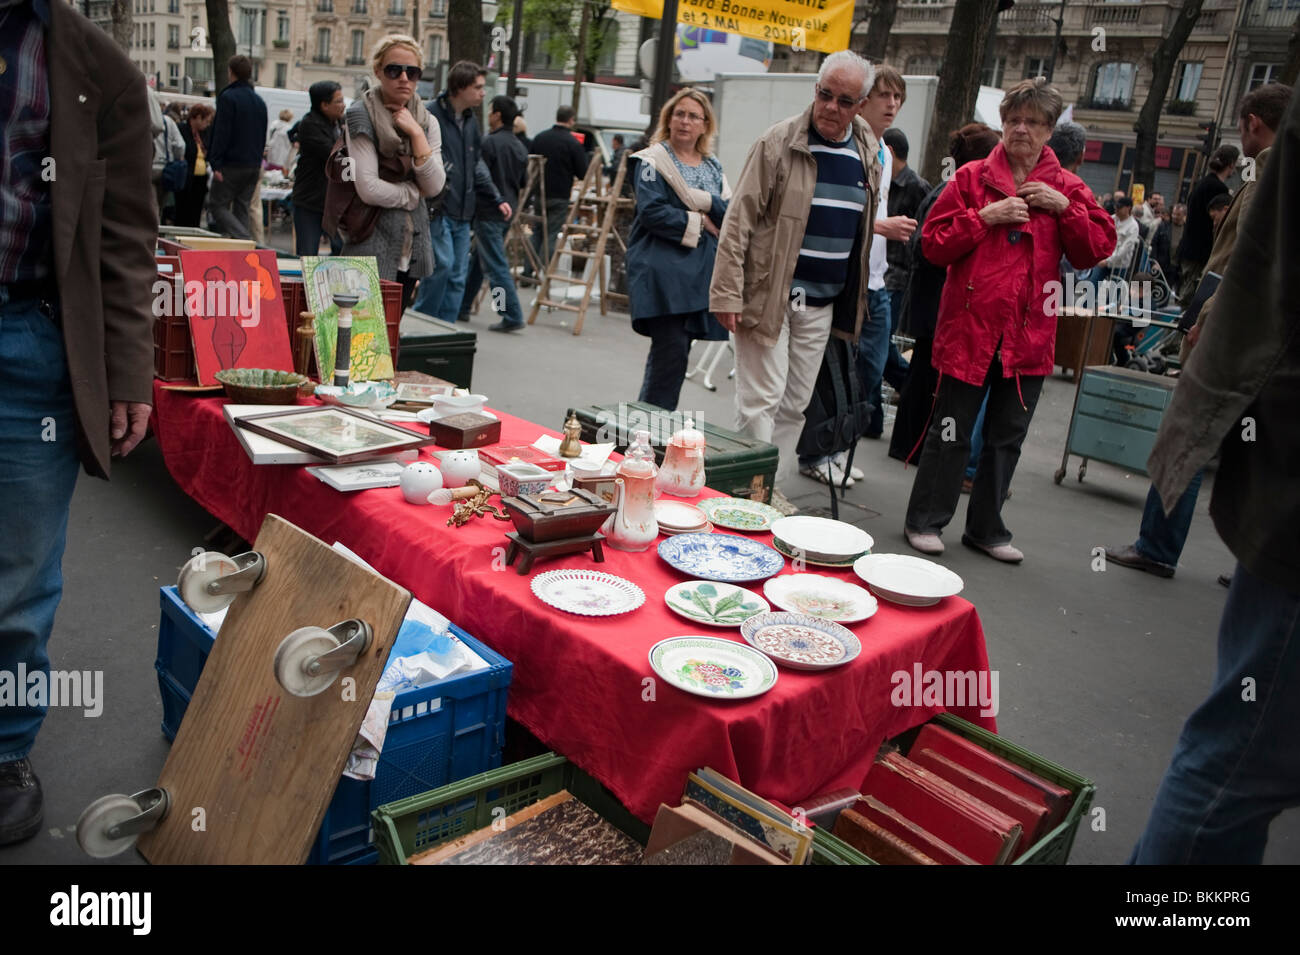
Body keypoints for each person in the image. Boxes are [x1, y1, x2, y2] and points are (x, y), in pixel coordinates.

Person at [1129, 84, 1300, 866]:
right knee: (1239, 763)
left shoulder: (1253, 176)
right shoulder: (1243, 179)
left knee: (1239, 760)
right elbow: (1244, 279)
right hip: (1279, 477)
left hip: (1265, 437)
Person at [1, 0, 157, 845]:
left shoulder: (101, 71)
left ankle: (2, 752)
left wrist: (128, 370)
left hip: (29, 339)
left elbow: (128, 233)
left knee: (17, 580)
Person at [902, 78, 1115, 562]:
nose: (1022, 129)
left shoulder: (1067, 187)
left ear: (1048, 129)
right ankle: (926, 520)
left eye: (1034, 122)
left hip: (1030, 336)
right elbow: (933, 245)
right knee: (952, 429)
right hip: (971, 329)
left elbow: (1096, 250)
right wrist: (986, 216)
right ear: (1003, 123)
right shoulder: (972, 178)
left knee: (1006, 438)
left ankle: (986, 529)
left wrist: (1067, 211)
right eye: (1014, 119)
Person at [1103, 83, 1291, 580]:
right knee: (1254, 448)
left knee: (1191, 438)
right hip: (1265, 343)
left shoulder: (1270, 173)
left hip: (1232, 335)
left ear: (1252, 123)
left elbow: (1246, 263)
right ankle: (1255, 559)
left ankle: (1158, 546)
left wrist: (1204, 322)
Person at [709, 51, 882, 513]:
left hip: (822, 302)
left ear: (860, 105)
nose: (831, 106)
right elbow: (737, 220)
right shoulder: (778, 142)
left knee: (795, 405)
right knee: (760, 399)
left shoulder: (865, 148)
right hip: (769, 293)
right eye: (825, 94)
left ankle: (769, 485)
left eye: (845, 101)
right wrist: (727, 291)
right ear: (815, 90)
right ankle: (749, 489)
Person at [798, 64, 916, 488]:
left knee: (867, 371)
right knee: (833, 373)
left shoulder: (880, 151)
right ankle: (817, 451)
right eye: (884, 96)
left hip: (879, 280)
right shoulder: (844, 147)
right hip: (848, 282)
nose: (891, 105)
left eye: (898, 98)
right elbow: (837, 215)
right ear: (863, 103)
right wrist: (882, 228)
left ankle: (836, 448)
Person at [888, 124, 1002, 465]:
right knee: (925, 377)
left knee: (923, 375)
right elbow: (926, 247)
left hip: (931, 297)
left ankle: (908, 445)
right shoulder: (951, 191)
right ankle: (912, 447)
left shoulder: (947, 187)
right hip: (935, 298)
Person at [624, 89, 730, 411]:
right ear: (668, 119)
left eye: (693, 116)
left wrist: (709, 202)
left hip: (699, 276)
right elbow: (651, 212)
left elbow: (728, 212)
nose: (685, 121)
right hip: (664, 275)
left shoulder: (713, 167)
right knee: (670, 354)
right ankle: (648, 433)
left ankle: (645, 431)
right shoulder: (650, 160)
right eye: (679, 114)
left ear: (705, 125)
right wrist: (699, 221)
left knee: (674, 356)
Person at [340, 34, 447, 307]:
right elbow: (368, 188)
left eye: (412, 72)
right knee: (359, 338)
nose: (404, 78)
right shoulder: (360, 114)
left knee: (391, 335)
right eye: (394, 70)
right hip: (369, 239)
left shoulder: (426, 121)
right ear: (378, 71)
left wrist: (415, 133)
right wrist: (413, 194)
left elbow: (434, 186)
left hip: (412, 247)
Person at [410, 62, 507, 324]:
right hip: (438, 207)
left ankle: (445, 332)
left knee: (456, 275)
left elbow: (475, 164)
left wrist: (495, 196)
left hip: (464, 210)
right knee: (441, 268)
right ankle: (424, 327)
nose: (483, 93)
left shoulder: (470, 121)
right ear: (460, 88)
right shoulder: (430, 115)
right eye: (477, 87)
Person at [460, 95, 529, 332]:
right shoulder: (519, 146)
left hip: (489, 208)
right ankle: (464, 304)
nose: (488, 115)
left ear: (497, 115)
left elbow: (479, 176)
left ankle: (509, 312)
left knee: (494, 265)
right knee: (483, 260)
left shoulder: (489, 143)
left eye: (490, 111)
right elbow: (523, 182)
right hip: (507, 208)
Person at [876, 125, 929, 434]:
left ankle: (910, 387)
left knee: (880, 345)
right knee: (876, 345)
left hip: (899, 278)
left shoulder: (916, 187)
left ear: (890, 152)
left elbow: (923, 236)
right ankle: (907, 388)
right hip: (881, 275)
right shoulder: (885, 182)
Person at [206, 55, 268, 240]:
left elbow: (221, 132)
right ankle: (242, 250)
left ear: (231, 73)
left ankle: (242, 239)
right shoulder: (259, 102)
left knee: (217, 204)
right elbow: (262, 134)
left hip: (232, 163)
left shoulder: (228, 98)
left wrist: (215, 163)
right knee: (242, 206)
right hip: (253, 164)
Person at [524, 106, 590, 278]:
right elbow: (583, 172)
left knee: (537, 231)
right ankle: (543, 271)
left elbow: (530, 163)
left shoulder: (540, 138)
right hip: (560, 193)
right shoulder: (573, 143)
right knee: (552, 233)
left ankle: (527, 269)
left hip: (539, 191)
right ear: (571, 120)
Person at [1176, 143, 1238, 302]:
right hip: (1200, 253)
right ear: (1231, 164)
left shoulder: (1202, 183)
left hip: (1189, 249)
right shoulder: (1218, 189)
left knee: (1186, 295)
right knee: (1190, 299)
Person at [292, 81, 346, 257]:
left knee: (342, 250)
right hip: (310, 201)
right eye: (338, 101)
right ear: (324, 105)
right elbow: (335, 156)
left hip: (334, 203)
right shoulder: (310, 125)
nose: (343, 105)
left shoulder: (339, 123)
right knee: (308, 255)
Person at [174, 103, 215, 228]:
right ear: (197, 118)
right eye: (205, 121)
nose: (207, 124)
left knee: (196, 210)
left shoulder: (204, 133)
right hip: (187, 175)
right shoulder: (182, 129)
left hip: (201, 177)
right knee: (183, 209)